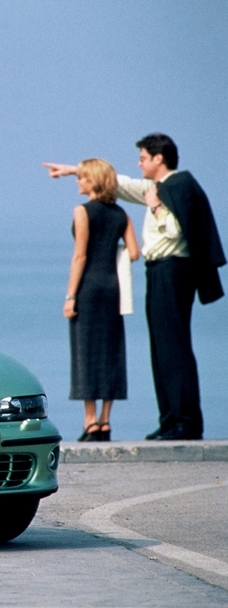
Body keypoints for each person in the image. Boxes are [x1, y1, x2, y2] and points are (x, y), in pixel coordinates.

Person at [45, 134, 225, 440]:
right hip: (157, 270)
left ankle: (186, 422)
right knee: (161, 347)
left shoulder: (179, 187)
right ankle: (170, 419)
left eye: (142, 158)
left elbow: (181, 231)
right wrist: (76, 170)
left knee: (174, 346)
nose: (139, 163)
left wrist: (155, 208)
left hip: (174, 268)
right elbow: (120, 184)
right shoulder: (157, 189)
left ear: (158, 158)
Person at [54, 158, 139, 441]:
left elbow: (80, 255)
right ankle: (105, 420)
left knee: (86, 352)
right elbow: (135, 252)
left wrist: (70, 296)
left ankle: (89, 421)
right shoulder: (121, 213)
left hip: (88, 288)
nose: (77, 181)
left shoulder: (82, 211)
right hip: (113, 289)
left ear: (92, 181)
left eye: (82, 177)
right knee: (112, 351)